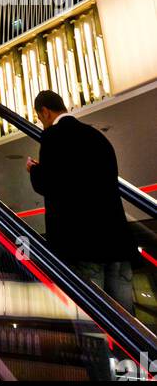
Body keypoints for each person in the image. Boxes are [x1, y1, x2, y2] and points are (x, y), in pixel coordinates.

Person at [26, 89, 135, 310]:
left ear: (45, 112)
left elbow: (50, 185)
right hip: (117, 239)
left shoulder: (53, 138)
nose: (42, 124)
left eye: (39, 118)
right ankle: (141, 346)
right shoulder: (97, 137)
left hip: (84, 244)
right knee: (127, 318)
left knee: (95, 319)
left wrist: (35, 171)